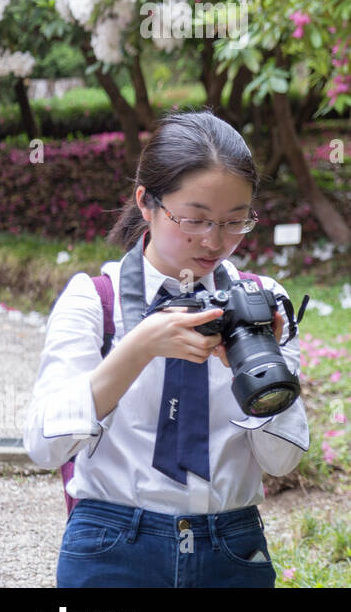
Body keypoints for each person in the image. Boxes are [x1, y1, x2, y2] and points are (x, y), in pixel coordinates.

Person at [24, 107, 310, 587]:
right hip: (111, 546)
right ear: (146, 202)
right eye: (194, 220)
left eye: (235, 222)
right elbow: (44, 445)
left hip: (232, 545)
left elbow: (281, 461)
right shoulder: (96, 301)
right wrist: (136, 349)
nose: (214, 241)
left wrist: (262, 363)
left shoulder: (261, 302)